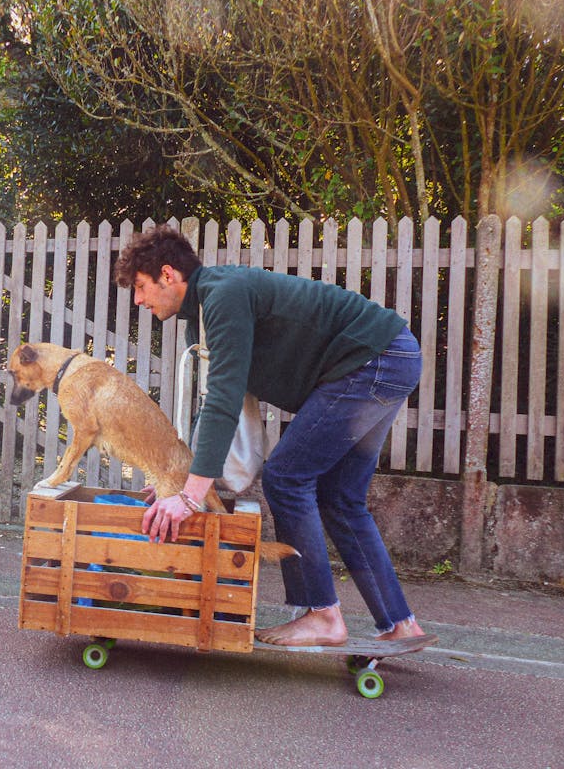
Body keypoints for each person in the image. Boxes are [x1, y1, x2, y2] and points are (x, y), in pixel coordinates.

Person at [113, 224, 426, 646]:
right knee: (340, 497)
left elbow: (224, 400)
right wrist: (181, 481)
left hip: (373, 361)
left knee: (286, 478)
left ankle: (322, 616)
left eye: (140, 287)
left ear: (168, 275)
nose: (138, 300)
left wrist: (188, 499)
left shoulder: (223, 296)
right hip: (389, 357)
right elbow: (214, 405)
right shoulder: (205, 315)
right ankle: (400, 624)